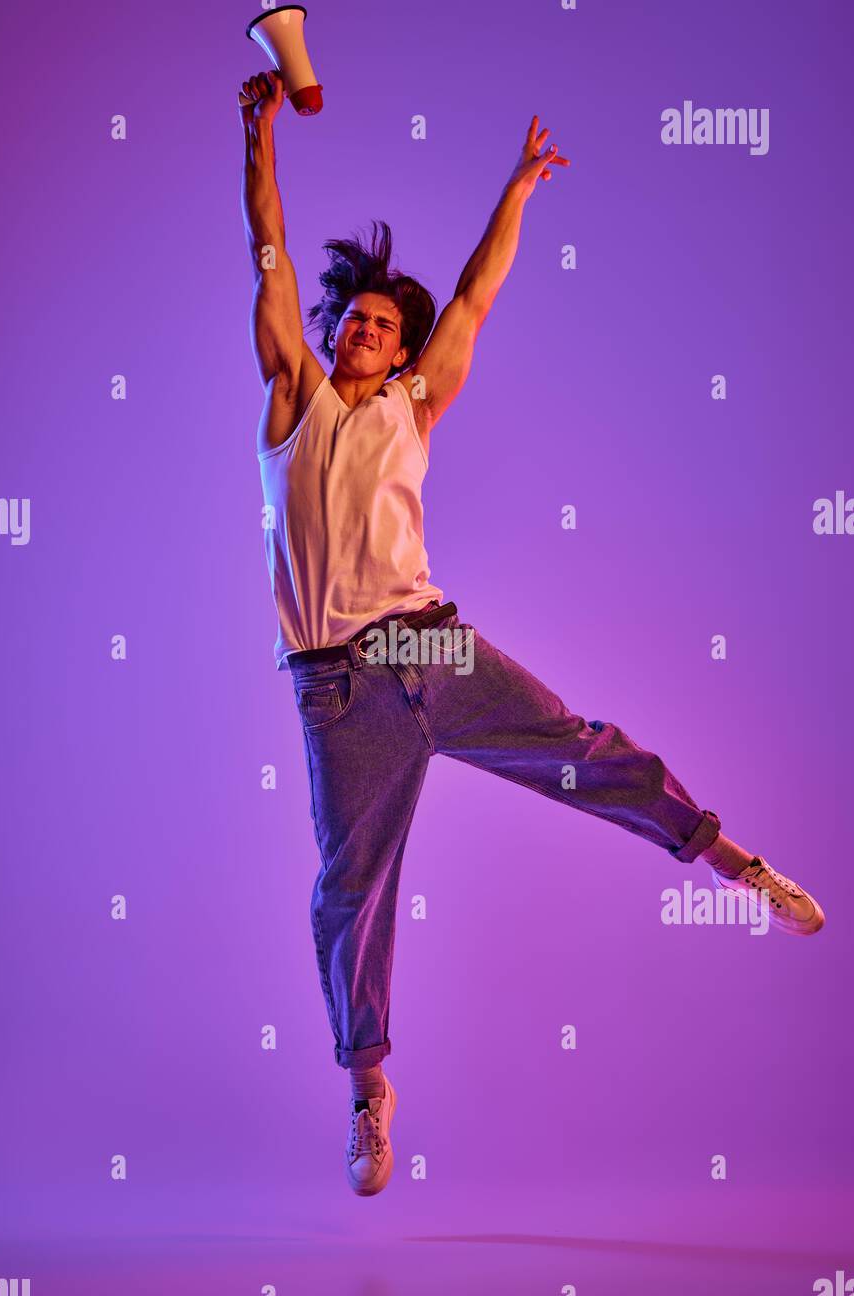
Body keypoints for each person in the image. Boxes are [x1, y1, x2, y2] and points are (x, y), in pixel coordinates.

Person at [238, 70, 826, 1198]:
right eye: (354, 319)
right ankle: (368, 1089)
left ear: (403, 353)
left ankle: (723, 854)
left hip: (426, 646)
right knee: (348, 891)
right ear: (330, 332)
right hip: (338, 689)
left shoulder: (416, 402)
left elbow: (472, 299)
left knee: (582, 743)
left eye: (383, 325)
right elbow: (264, 240)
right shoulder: (290, 401)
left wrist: (515, 193)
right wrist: (252, 131)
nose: (365, 330)